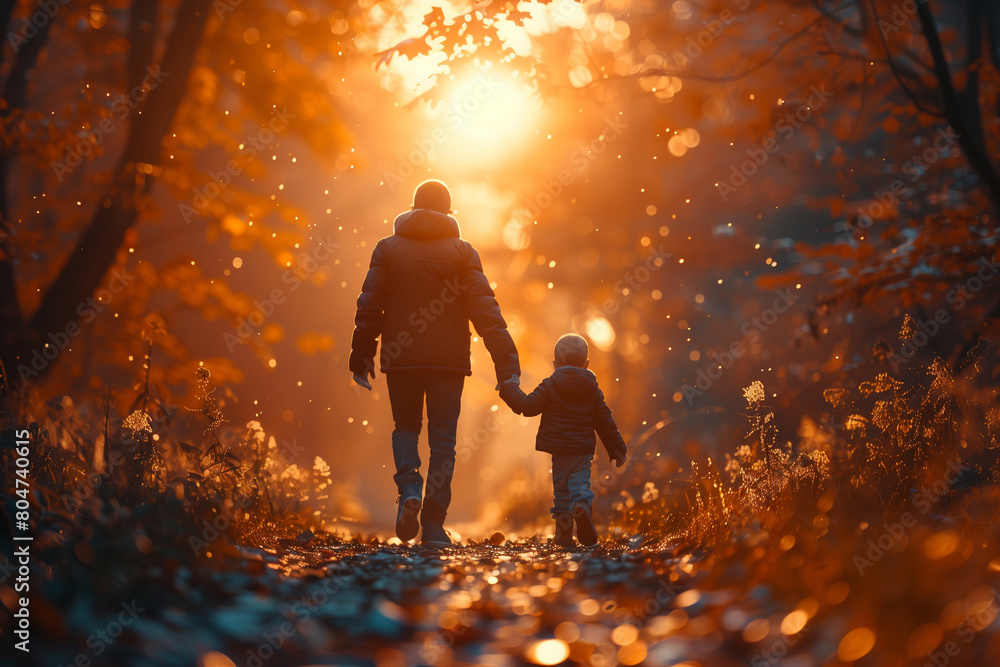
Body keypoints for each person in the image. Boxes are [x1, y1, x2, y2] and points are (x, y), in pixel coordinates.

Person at [350, 179, 520, 546]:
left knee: (406, 426)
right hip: (448, 362)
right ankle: (432, 526)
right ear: (448, 212)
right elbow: (486, 313)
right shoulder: (462, 253)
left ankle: (409, 485)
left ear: (412, 208)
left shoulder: (387, 249)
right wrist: (507, 368)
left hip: (402, 358)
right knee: (443, 441)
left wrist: (361, 355)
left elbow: (370, 307)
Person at [499, 333, 627, 547]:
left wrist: (508, 388)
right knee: (580, 486)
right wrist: (617, 449)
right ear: (586, 364)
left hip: (559, 451)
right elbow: (606, 421)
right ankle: (582, 505)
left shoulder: (550, 385)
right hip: (583, 451)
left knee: (561, 493)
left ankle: (564, 535)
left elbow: (528, 407)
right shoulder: (593, 390)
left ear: (555, 363)